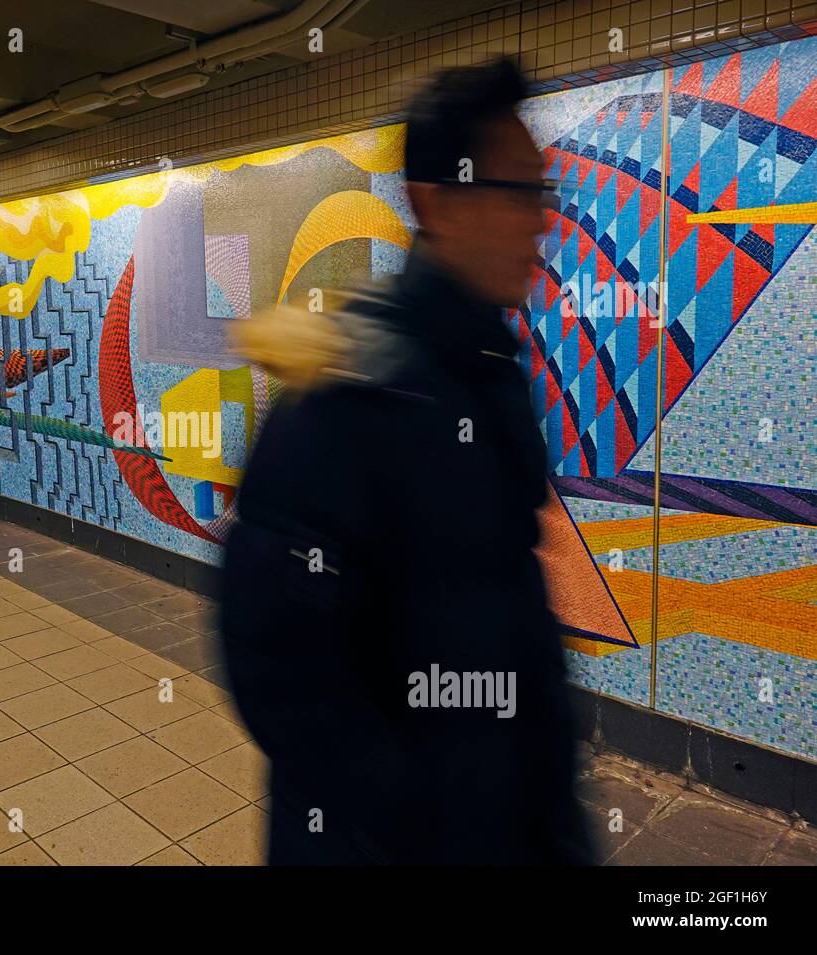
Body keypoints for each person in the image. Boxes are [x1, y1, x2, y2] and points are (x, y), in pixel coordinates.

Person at [220, 58, 593, 865]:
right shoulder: (345, 396)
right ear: (439, 201)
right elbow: (277, 669)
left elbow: (509, 624)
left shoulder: (489, 371)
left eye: (544, 194)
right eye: (520, 194)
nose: (542, 222)